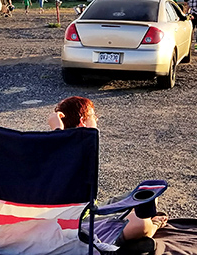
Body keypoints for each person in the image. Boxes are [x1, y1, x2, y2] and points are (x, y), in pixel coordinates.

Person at [48, 97, 168, 242]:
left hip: (89, 211)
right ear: (83, 121)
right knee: (141, 224)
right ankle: (153, 225)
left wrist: (57, 130)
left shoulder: (52, 149)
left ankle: (137, 220)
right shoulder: (73, 153)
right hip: (79, 222)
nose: (96, 119)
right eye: (93, 115)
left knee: (148, 192)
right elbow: (63, 160)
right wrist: (58, 131)